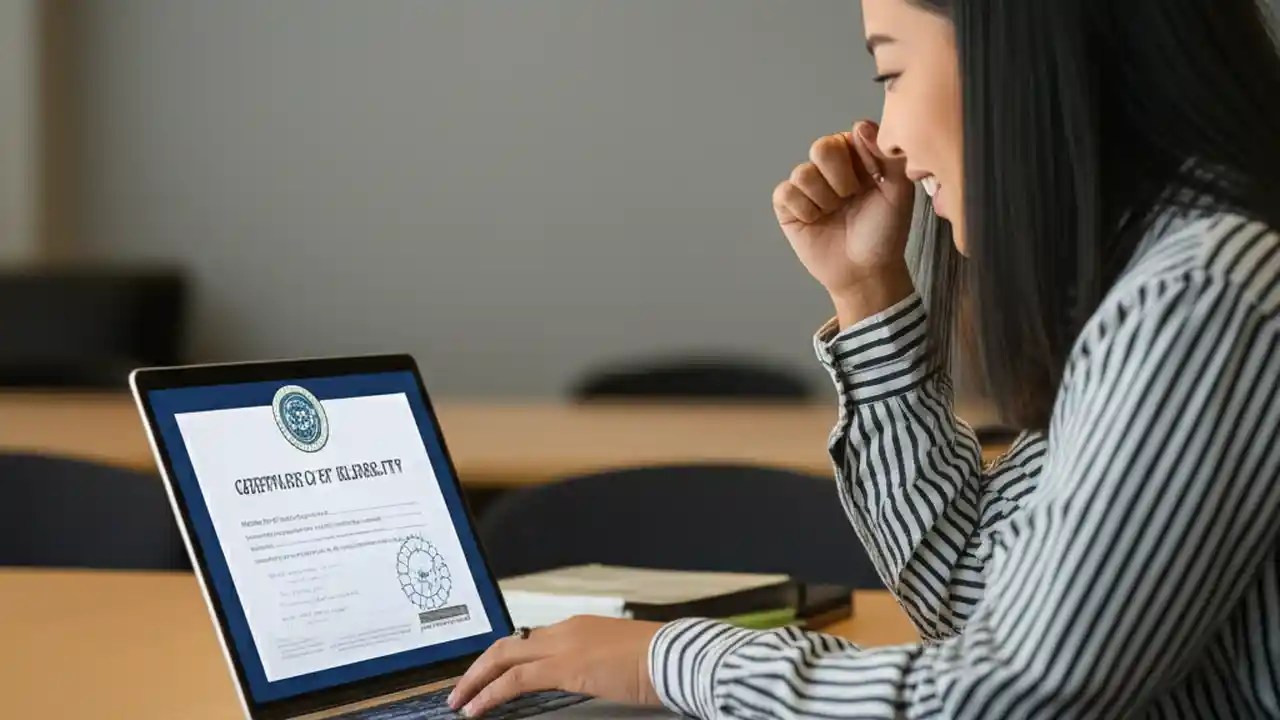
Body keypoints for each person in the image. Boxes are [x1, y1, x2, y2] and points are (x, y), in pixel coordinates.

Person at [449, 0, 1280, 716]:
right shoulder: (1160, 282)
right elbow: (973, 601)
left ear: (1017, 55)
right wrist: (868, 292)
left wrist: (669, 660)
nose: (891, 138)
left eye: (891, 73)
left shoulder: (1203, 292)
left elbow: (1011, 697)